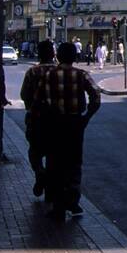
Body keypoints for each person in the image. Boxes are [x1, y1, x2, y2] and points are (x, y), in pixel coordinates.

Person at [37, 42, 100, 220]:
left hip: (54, 123)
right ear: (74, 57)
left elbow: (37, 101)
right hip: (75, 123)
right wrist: (86, 117)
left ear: (58, 56)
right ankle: (72, 201)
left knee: (55, 163)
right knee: (74, 163)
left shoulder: (49, 75)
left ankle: (58, 206)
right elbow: (96, 95)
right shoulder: (81, 75)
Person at [20, 40, 58, 198]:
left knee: (34, 152)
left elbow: (24, 94)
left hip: (36, 118)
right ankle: (51, 189)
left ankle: (40, 173)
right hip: (57, 120)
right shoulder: (59, 71)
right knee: (54, 153)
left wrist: (31, 107)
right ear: (53, 54)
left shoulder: (33, 72)